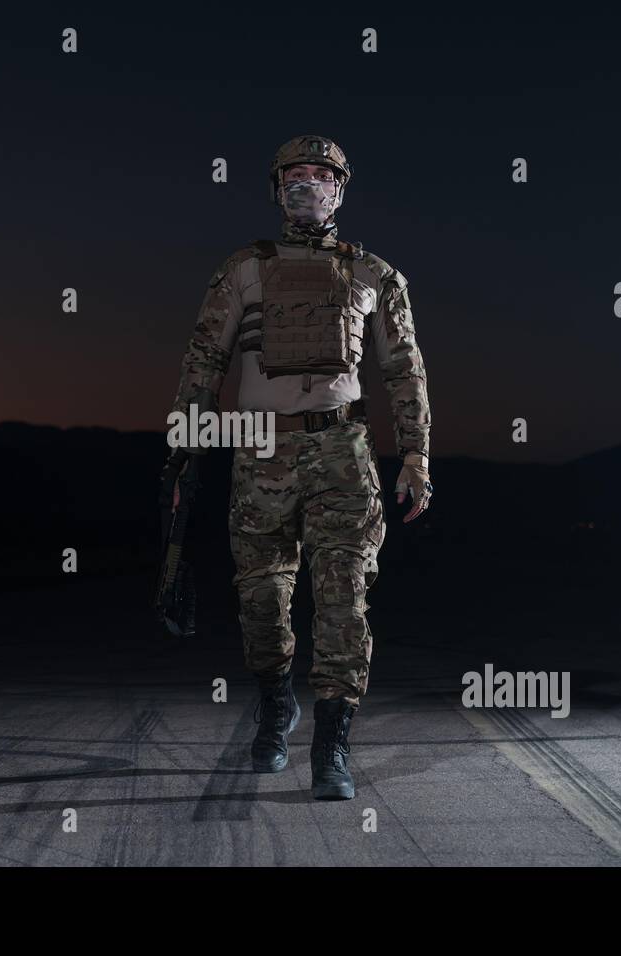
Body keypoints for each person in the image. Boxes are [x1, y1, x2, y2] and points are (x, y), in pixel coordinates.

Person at [166, 134, 432, 800]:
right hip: (259, 447)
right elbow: (204, 361)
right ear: (276, 187)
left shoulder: (375, 275)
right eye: (295, 174)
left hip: (344, 452)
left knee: (344, 597)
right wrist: (183, 445)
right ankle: (276, 703)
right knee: (263, 597)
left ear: (341, 189)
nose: (307, 183)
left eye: (322, 174)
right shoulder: (242, 270)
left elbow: (405, 370)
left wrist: (417, 453)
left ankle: (331, 746)